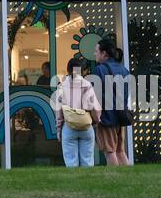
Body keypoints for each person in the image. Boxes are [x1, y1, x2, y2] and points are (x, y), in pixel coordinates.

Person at [51, 55, 101, 168]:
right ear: (81, 70)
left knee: (71, 163)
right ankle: (88, 184)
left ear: (68, 70)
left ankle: (73, 185)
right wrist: (96, 121)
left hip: (69, 127)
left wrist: (59, 130)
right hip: (86, 126)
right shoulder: (87, 85)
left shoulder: (61, 86)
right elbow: (94, 107)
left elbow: (58, 112)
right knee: (87, 162)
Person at [90, 38, 133, 166]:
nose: (94, 54)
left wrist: (96, 118)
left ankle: (116, 180)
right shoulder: (124, 70)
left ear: (104, 53)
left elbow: (94, 97)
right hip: (121, 117)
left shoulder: (99, 70)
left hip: (106, 118)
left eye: (96, 51)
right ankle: (129, 180)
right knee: (120, 151)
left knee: (110, 152)